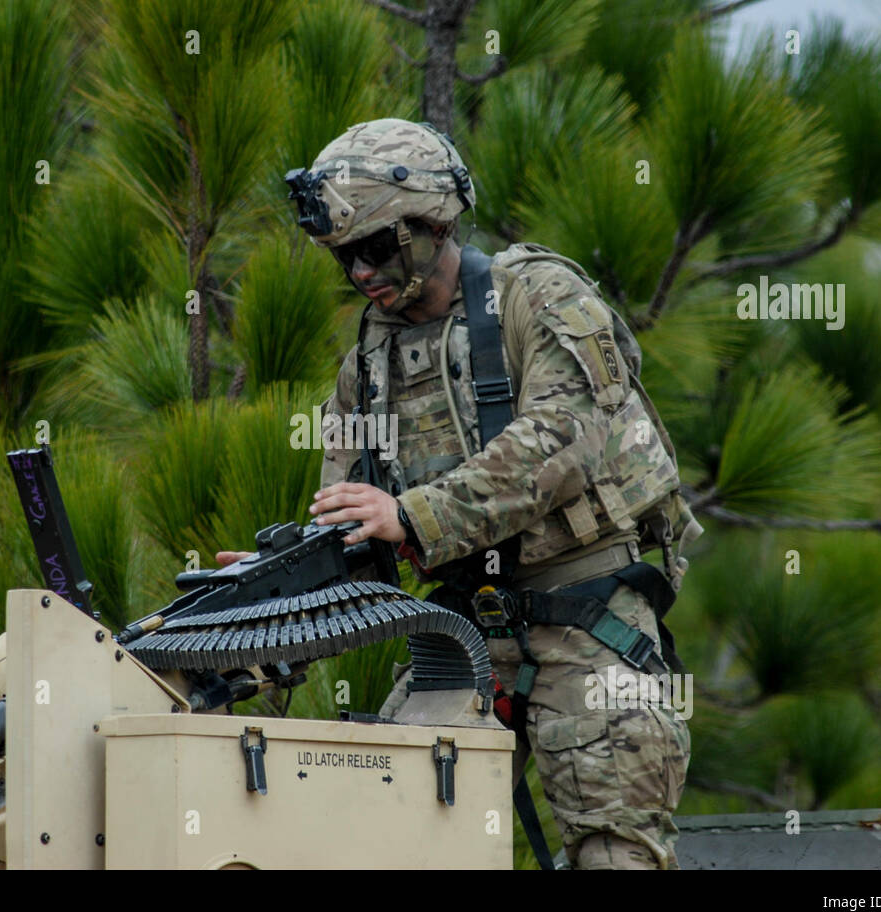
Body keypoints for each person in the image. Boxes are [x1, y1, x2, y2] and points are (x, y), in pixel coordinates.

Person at [220, 117, 701, 869]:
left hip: (589, 616)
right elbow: (353, 521)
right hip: (461, 636)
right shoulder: (368, 365)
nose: (360, 274)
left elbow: (561, 441)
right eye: (346, 256)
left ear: (433, 224)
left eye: (377, 249)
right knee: (390, 844)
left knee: (615, 850)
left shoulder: (540, 298)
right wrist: (280, 589)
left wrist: (412, 515)